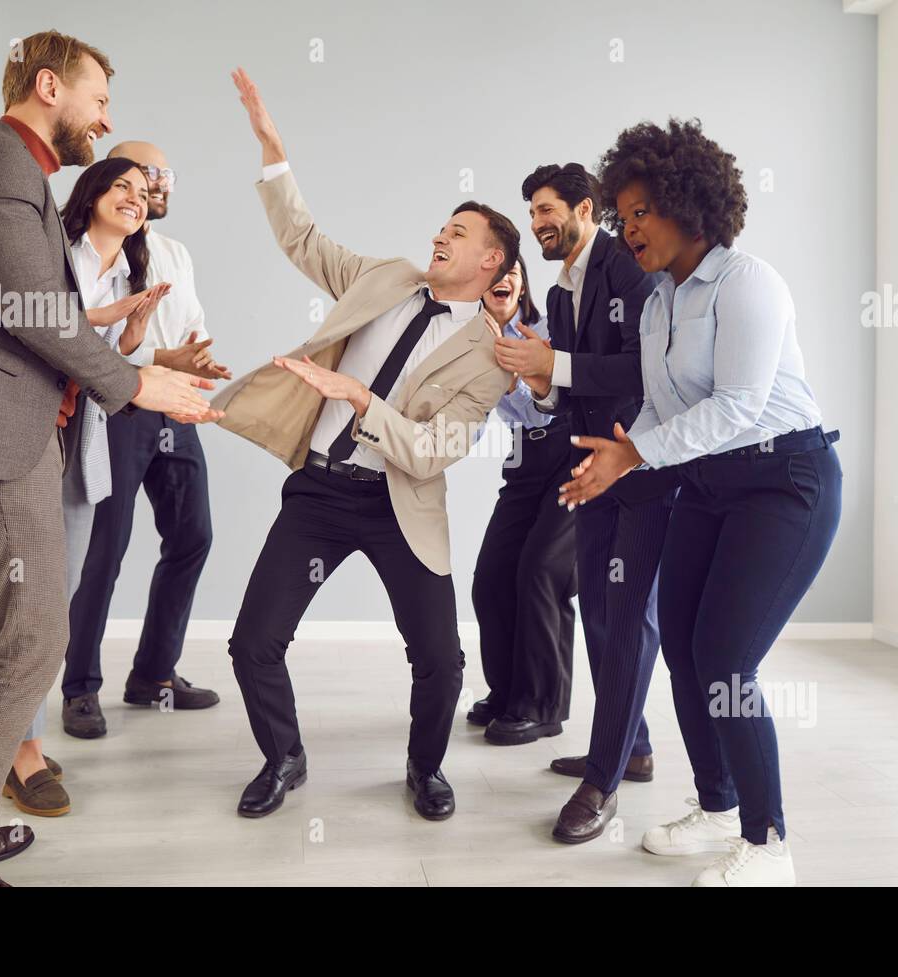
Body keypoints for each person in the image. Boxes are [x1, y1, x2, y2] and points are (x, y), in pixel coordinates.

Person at [0, 30, 220, 887]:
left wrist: (145, 361)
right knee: (30, 640)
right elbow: (30, 309)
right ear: (49, 87)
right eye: (99, 101)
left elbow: (42, 309)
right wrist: (135, 384)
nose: (106, 120)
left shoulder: (22, 178)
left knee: (10, 640)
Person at [217, 68, 516, 822]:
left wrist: (363, 400)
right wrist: (272, 148)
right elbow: (304, 240)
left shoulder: (490, 355)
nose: (441, 235)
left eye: (460, 232)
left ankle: (425, 768)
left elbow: (433, 449)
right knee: (252, 641)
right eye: (442, 225)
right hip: (319, 493)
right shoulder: (386, 277)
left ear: (491, 264)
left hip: (398, 504)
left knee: (442, 663)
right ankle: (283, 756)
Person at [562, 118, 841, 886]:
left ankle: (769, 841)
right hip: (709, 484)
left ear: (691, 204)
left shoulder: (748, 282)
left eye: (642, 210)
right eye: (623, 214)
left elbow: (742, 406)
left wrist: (635, 453)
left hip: (785, 481)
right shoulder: (658, 303)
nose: (630, 228)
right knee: (682, 649)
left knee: (726, 658)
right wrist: (615, 463)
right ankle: (717, 807)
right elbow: (661, 408)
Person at [497, 163, 674, 844]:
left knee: (627, 620)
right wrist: (539, 377)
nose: (539, 222)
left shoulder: (627, 269)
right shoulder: (562, 290)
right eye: (533, 212)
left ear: (584, 208)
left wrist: (555, 365)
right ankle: (632, 746)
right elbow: (564, 389)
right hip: (593, 465)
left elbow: (643, 368)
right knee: (600, 611)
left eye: (547, 209)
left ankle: (602, 780)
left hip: (645, 465)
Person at [6, 157, 173, 817]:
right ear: (93, 194)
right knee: (28, 610)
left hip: (81, 449)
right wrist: (113, 314)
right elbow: (39, 324)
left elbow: (109, 362)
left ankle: (21, 741)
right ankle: (22, 754)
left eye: (143, 192)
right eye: (120, 186)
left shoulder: (133, 271)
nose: (135, 198)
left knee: (55, 609)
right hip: (29, 438)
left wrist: (132, 333)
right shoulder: (57, 252)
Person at [60, 140, 230, 740]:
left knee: (193, 535)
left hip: (174, 408)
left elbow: (191, 327)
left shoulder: (176, 253)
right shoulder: (96, 251)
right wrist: (158, 357)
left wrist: (198, 361)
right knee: (103, 551)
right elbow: (88, 342)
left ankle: (154, 675)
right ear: (109, 181)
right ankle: (79, 688)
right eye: (137, 176)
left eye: (161, 175)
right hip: (121, 406)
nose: (152, 185)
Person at [468, 257, 578, 745]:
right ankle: (508, 692)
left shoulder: (550, 326)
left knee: (541, 572)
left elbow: (571, 394)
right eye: (494, 273)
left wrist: (534, 381)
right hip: (522, 458)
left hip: (570, 447)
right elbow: (466, 417)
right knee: (491, 578)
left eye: (513, 270)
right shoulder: (468, 343)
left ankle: (541, 706)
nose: (506, 279)